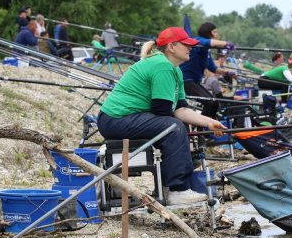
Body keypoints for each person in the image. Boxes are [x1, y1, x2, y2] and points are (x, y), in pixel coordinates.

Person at [97, 27, 227, 205]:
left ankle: (167, 187)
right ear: (172, 47)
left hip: (128, 119)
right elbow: (162, 110)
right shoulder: (162, 66)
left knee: (174, 125)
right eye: (186, 45)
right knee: (173, 127)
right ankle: (177, 190)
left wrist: (210, 122)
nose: (191, 48)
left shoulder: (175, 70)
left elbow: (181, 109)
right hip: (115, 120)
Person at [179, 22, 236, 118]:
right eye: (215, 32)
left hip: (195, 81)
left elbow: (212, 68)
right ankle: (203, 130)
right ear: (208, 33)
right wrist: (226, 43)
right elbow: (208, 42)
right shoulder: (198, 41)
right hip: (186, 80)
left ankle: (207, 128)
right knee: (209, 102)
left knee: (214, 102)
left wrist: (227, 73)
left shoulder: (207, 50)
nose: (217, 34)